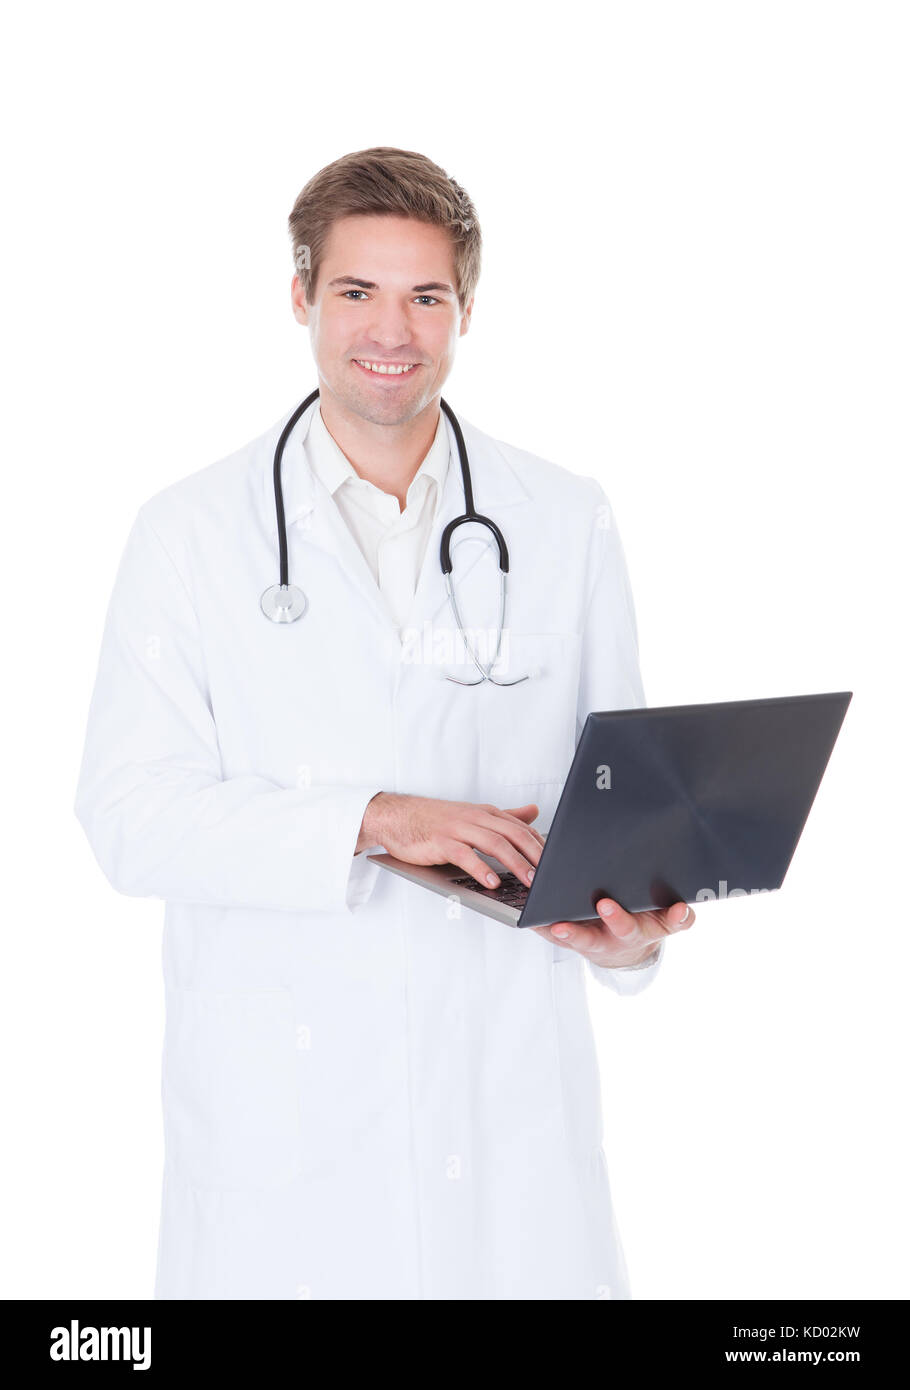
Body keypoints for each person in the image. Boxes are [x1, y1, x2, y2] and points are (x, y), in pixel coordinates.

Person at [74, 146, 695, 1301]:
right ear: (302, 296)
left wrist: (629, 935)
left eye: (426, 296)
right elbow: (127, 815)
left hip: (507, 1108)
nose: (391, 331)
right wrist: (370, 818)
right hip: (286, 1118)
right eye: (357, 291)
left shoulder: (562, 520)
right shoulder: (189, 535)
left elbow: (621, 801)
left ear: (468, 309)